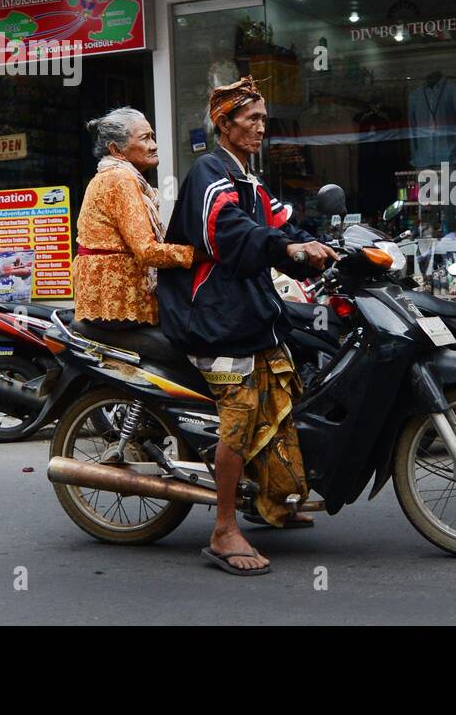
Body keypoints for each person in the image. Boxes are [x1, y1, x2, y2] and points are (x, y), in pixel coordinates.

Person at [158, 78, 339, 576]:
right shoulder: (208, 173)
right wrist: (286, 250)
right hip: (212, 316)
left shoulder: (249, 180)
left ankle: (275, 494)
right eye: (251, 119)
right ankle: (222, 529)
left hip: (247, 312)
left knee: (281, 392)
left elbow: (280, 225)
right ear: (224, 123)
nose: (261, 127)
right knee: (240, 412)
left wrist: (325, 249)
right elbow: (228, 233)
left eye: (263, 119)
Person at [74, 108, 194, 327]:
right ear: (116, 150)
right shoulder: (120, 178)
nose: (154, 145)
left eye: (153, 136)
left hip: (108, 300)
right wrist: (197, 255)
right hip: (116, 304)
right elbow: (147, 251)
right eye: (145, 138)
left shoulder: (118, 177)